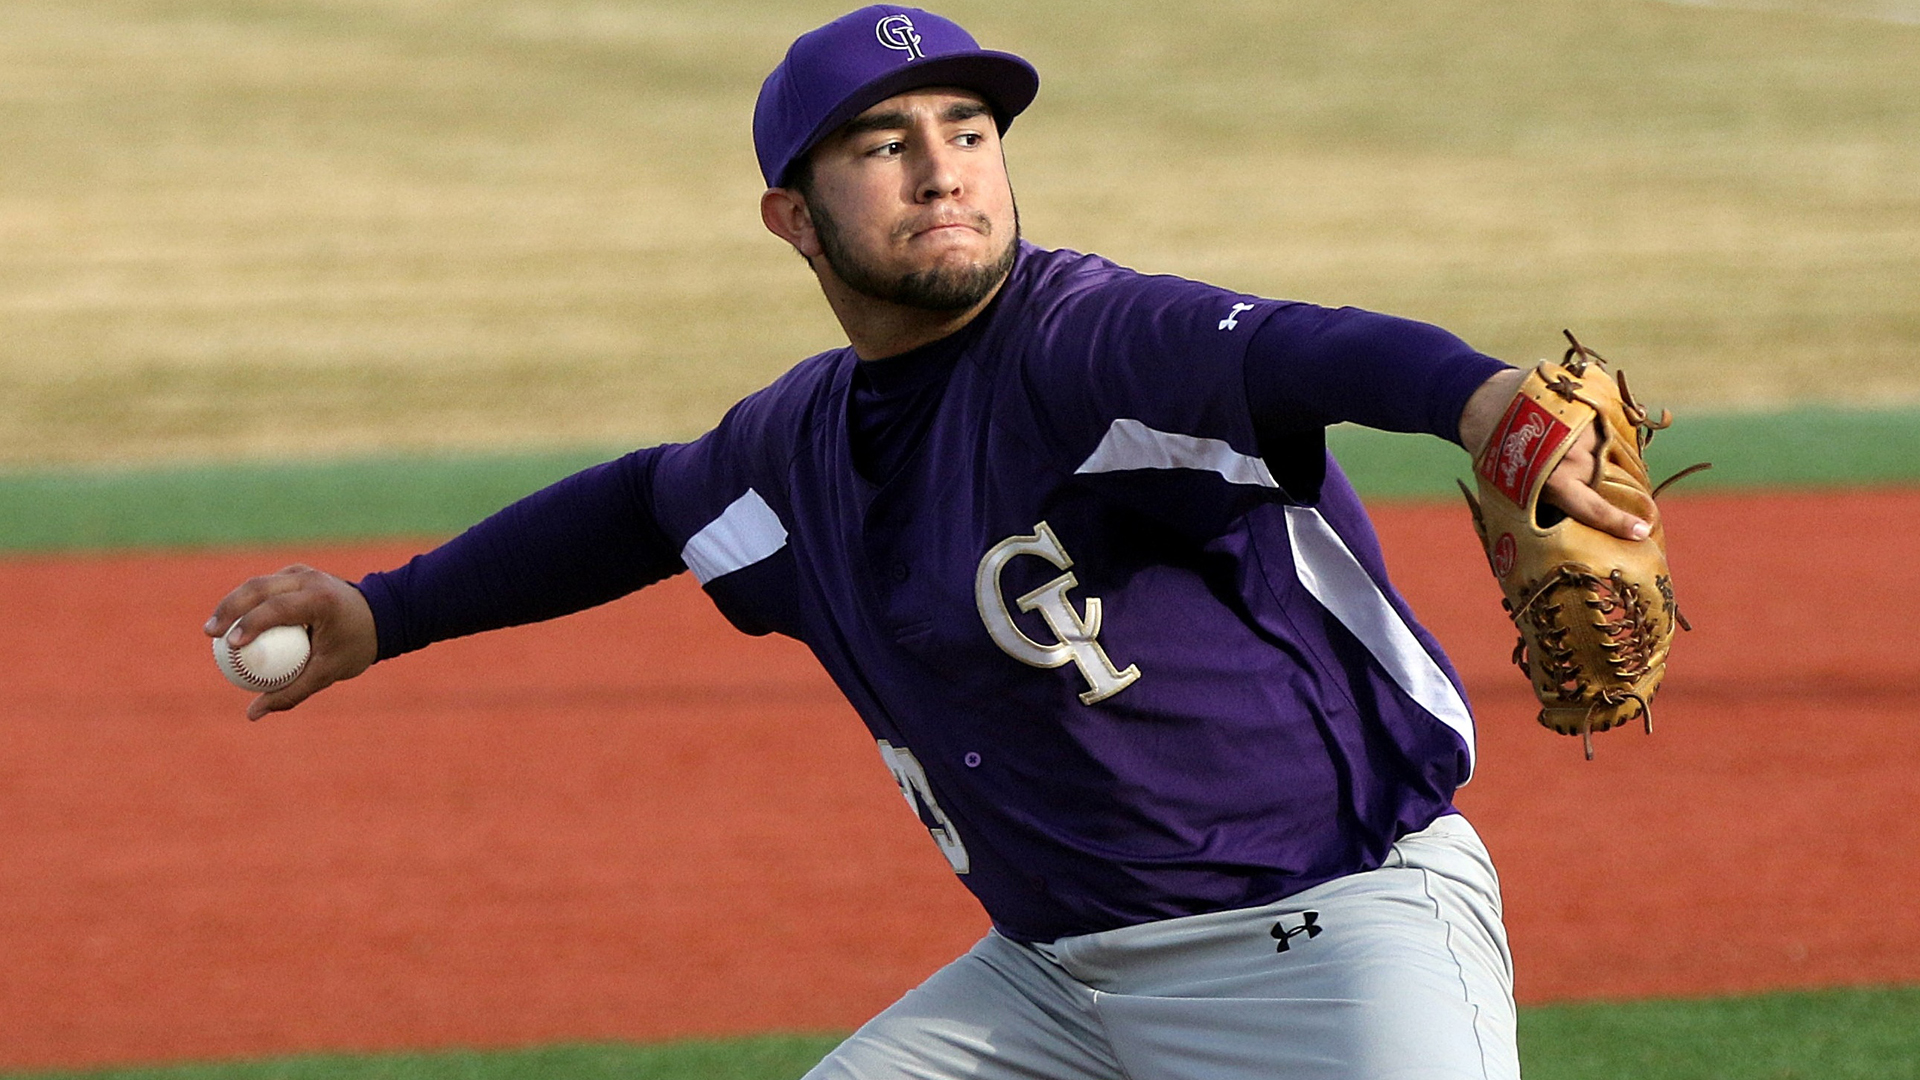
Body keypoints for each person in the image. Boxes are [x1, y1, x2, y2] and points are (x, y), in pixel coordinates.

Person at [207, 7, 1648, 1078]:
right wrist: (382, 613)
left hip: (1333, 948)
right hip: (1047, 990)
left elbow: (1296, 349)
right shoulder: (791, 442)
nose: (942, 169)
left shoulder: (1090, 341)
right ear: (793, 217)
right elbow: (641, 506)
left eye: (968, 133)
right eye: (883, 145)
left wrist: (1480, 405)